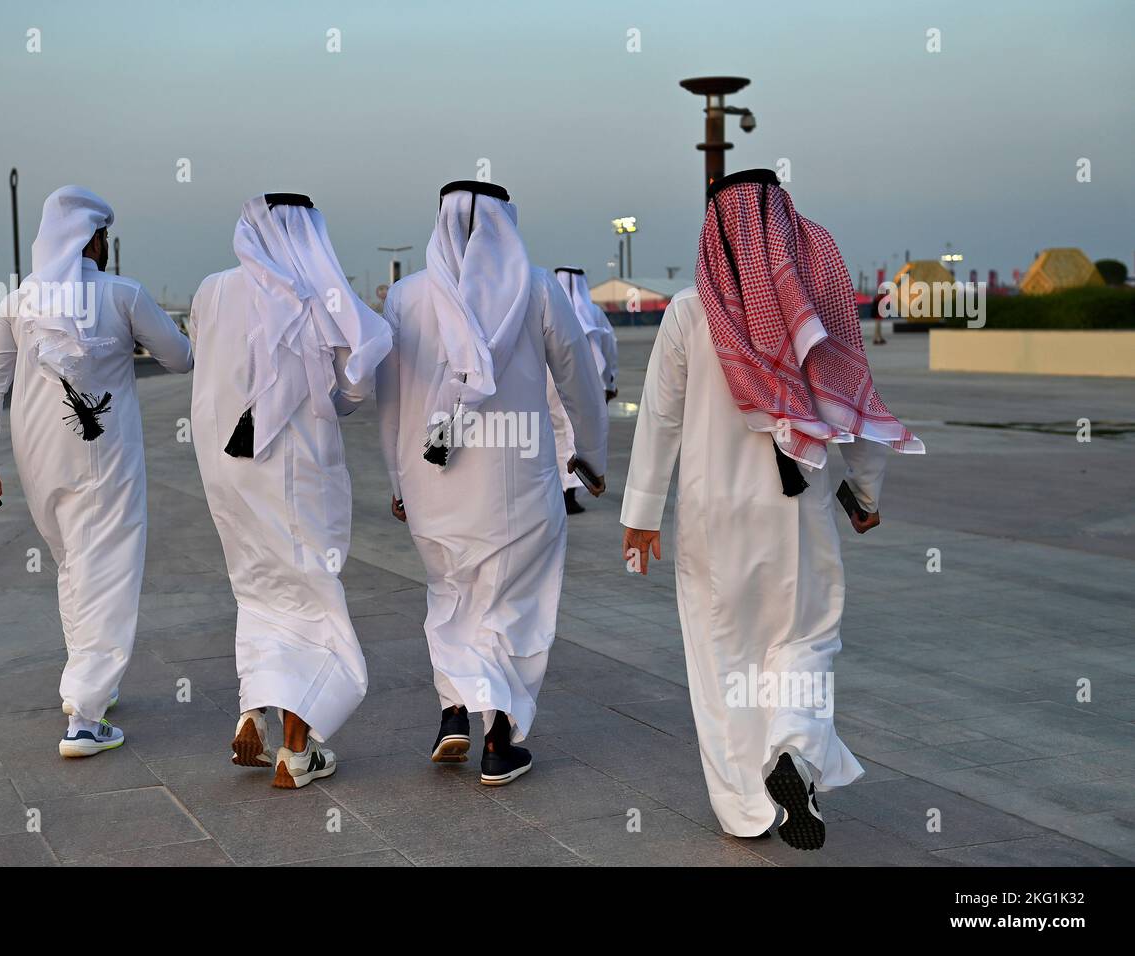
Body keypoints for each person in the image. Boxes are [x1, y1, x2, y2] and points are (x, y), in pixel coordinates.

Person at [620, 169, 924, 850]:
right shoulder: (817, 309)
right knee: (805, 641)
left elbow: (660, 420)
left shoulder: (689, 312)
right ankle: (796, 754)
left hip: (709, 518)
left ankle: (745, 810)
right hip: (798, 513)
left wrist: (640, 513)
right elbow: (858, 414)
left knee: (724, 654)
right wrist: (866, 499)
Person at [377, 181, 608, 786]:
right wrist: (591, 455)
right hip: (523, 482)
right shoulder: (537, 288)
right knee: (513, 601)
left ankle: (454, 712)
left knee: (449, 592)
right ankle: (499, 739)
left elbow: (390, 402)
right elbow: (579, 380)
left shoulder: (406, 296)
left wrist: (397, 479)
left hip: (433, 479)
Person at [0, 186, 193, 758]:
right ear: (91, 238)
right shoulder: (124, 293)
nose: (106, 246)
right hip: (104, 459)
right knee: (107, 570)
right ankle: (86, 720)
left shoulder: (17, 302)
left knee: (74, 567)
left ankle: (87, 688)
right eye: (104, 236)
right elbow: (181, 357)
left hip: (38, 461)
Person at [188, 193, 391, 789]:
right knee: (310, 592)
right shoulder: (322, 290)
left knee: (257, 587)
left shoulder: (211, 289)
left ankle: (255, 703)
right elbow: (358, 375)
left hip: (228, 466)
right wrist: (332, 403)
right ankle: (296, 752)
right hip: (298, 469)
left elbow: (210, 365)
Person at [546, 266, 618, 514]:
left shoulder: (548, 309)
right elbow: (609, 347)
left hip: (549, 383)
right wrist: (610, 383)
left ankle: (562, 491)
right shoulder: (594, 313)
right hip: (581, 383)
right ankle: (570, 493)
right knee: (575, 436)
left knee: (558, 436)